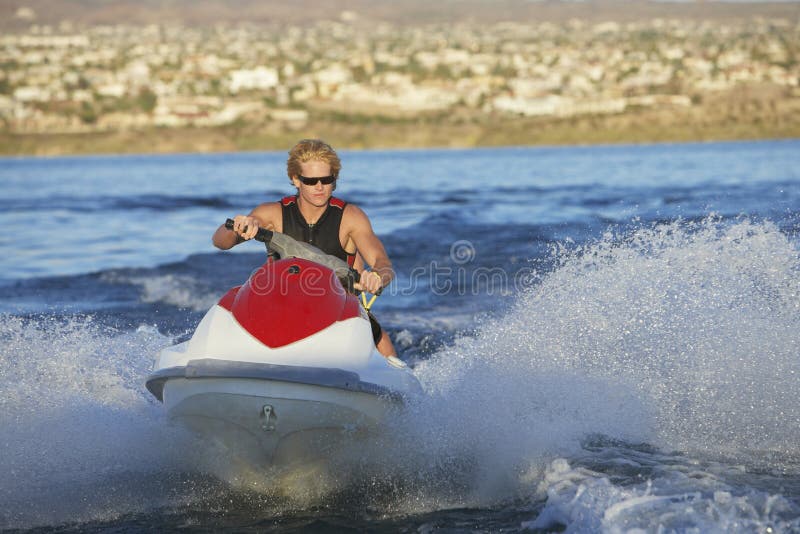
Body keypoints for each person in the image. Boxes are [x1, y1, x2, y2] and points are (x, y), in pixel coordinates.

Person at [212, 139, 397, 357]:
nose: (319, 187)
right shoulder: (272, 214)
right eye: (311, 181)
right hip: (278, 306)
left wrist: (377, 277)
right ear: (296, 179)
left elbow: (383, 264)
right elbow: (220, 241)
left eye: (326, 180)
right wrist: (238, 227)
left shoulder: (351, 217)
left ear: (334, 179)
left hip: (337, 313)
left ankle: (395, 369)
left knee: (376, 334)